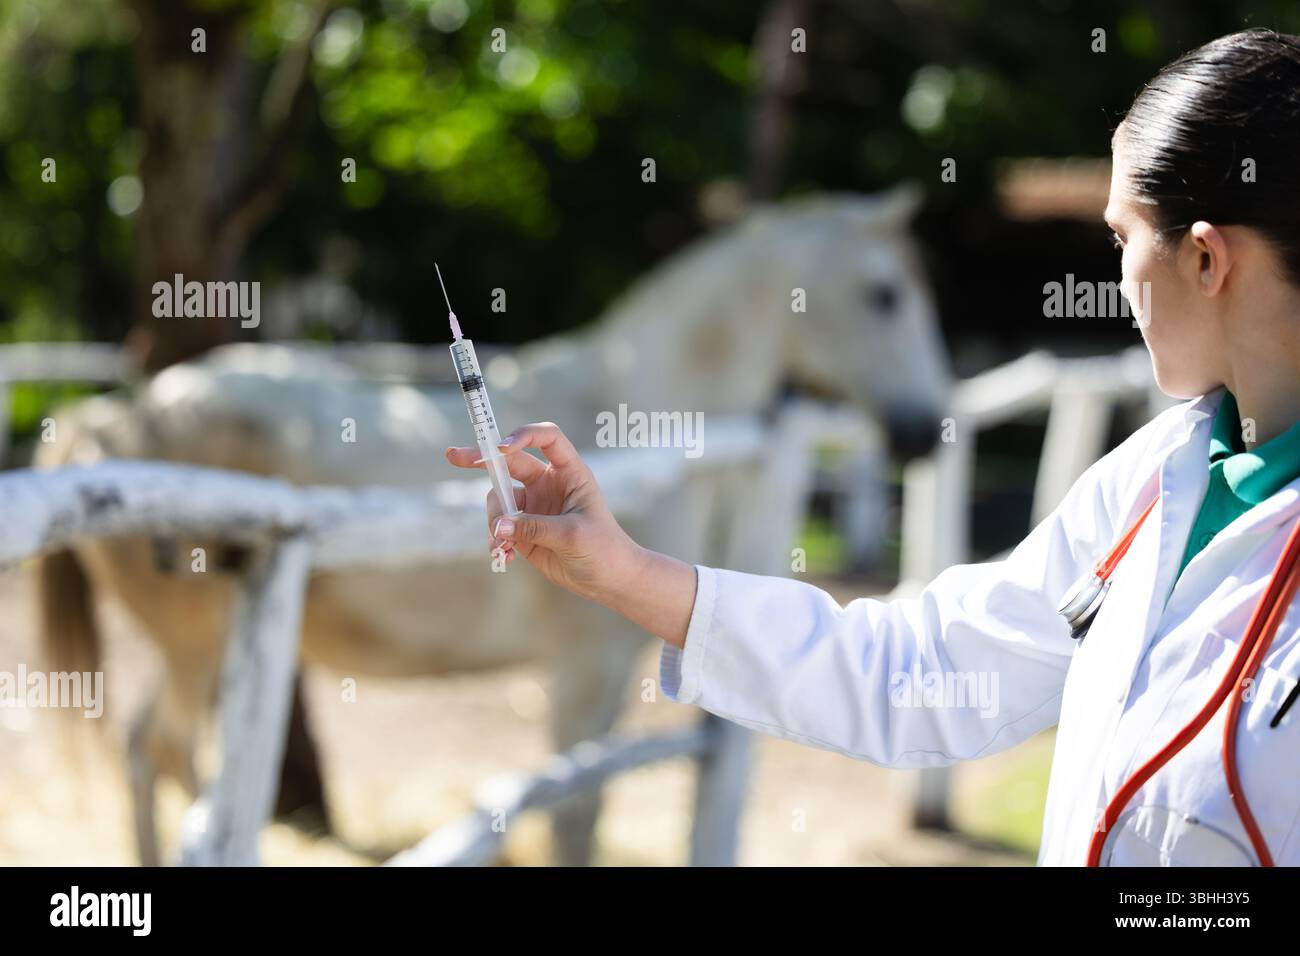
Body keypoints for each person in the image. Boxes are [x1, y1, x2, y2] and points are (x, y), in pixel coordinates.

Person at [447, 29, 1300, 866]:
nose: (1113, 277)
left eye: (1121, 240)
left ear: (1202, 260)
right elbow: (921, 671)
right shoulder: (1158, 477)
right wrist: (627, 573)